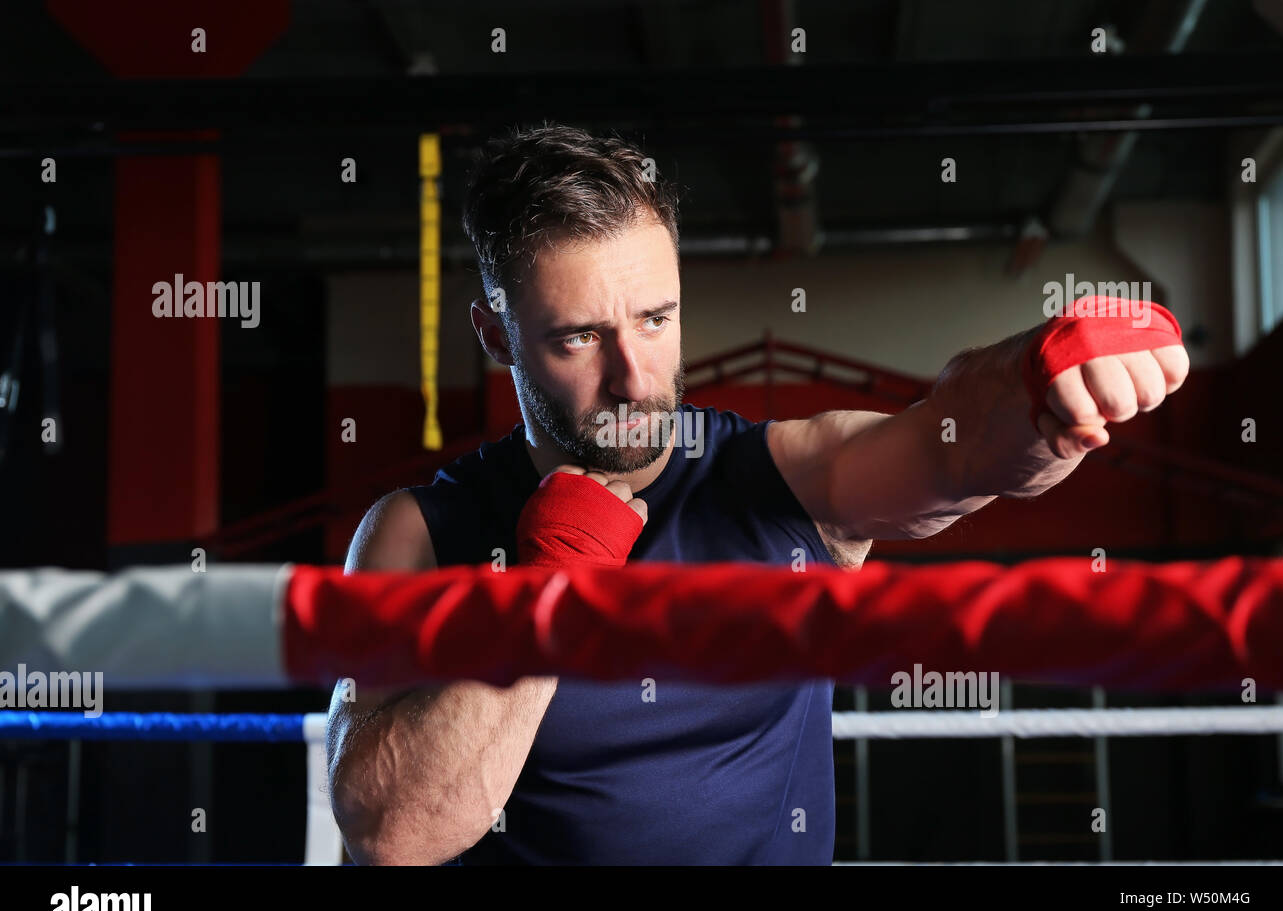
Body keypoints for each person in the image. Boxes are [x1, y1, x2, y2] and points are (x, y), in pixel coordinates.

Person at [323, 122, 1188, 865]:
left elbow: (951, 451)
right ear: (497, 335)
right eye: (580, 337)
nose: (634, 377)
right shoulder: (422, 535)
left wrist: (1044, 386)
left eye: (656, 320)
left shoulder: (780, 484)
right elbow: (390, 833)